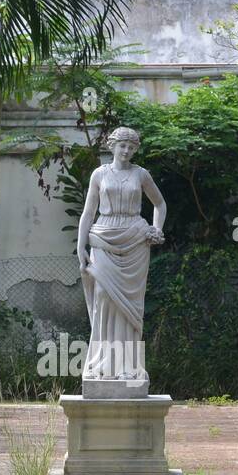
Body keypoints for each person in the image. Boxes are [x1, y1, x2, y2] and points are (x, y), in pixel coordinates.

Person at [76, 127, 166, 382]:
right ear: (112, 146)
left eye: (131, 147)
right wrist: (80, 247)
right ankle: (103, 365)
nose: (126, 151)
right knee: (104, 296)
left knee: (131, 306)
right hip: (103, 238)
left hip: (136, 240)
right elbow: (88, 212)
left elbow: (159, 203)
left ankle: (128, 366)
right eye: (122, 145)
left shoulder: (141, 174)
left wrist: (156, 229)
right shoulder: (99, 174)